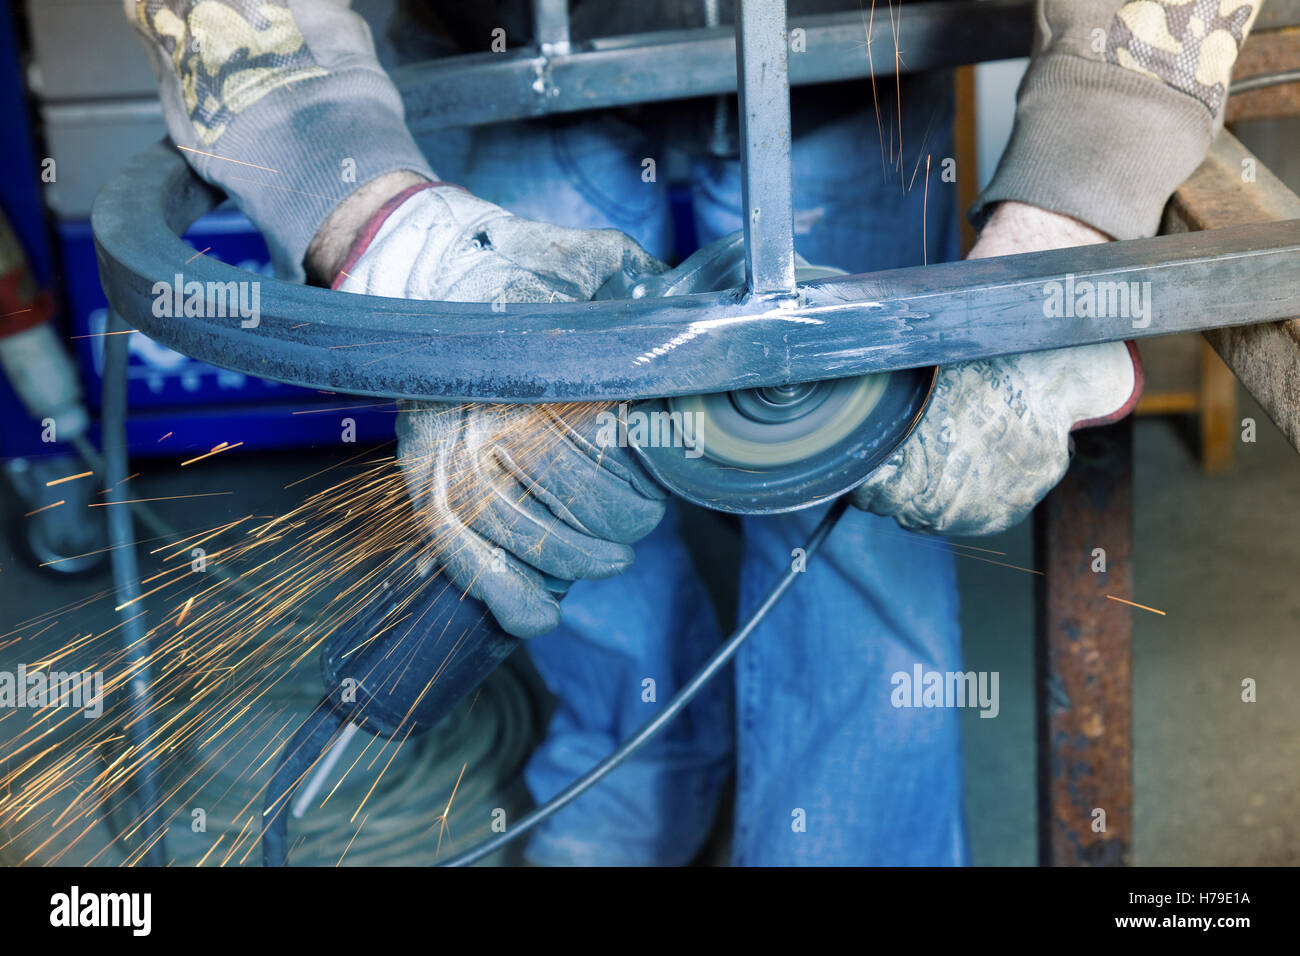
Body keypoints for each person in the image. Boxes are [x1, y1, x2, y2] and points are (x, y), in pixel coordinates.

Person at [124, 0, 1260, 864]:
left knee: (874, 524)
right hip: (498, 44)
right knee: (546, 489)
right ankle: (632, 782)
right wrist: (362, 199)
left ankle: (848, 842)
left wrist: (1072, 195)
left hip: (848, 51)